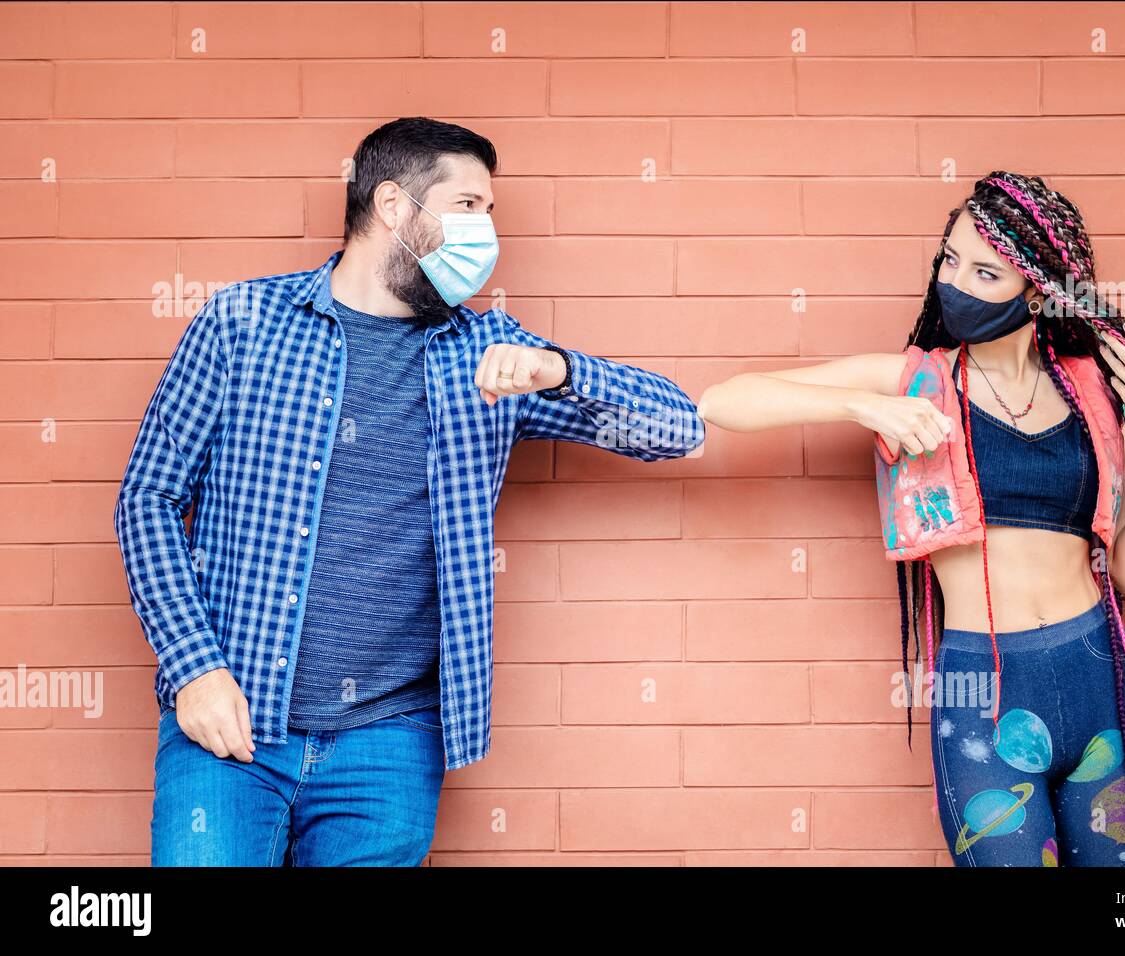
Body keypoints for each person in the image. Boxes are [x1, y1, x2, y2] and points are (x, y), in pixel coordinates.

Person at [115, 117, 705, 866]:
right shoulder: (242, 324)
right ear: (394, 205)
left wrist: (560, 370)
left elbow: (679, 427)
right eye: (467, 207)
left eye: (490, 213)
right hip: (230, 728)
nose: (486, 231)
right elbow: (149, 498)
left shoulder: (489, 358)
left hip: (391, 747)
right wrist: (193, 667)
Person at [698, 171, 1125, 867]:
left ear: (1036, 291)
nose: (955, 282)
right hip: (980, 688)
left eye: (985, 272)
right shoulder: (914, 377)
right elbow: (724, 401)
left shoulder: (1094, 392)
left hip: (1100, 676)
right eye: (949, 260)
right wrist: (863, 407)